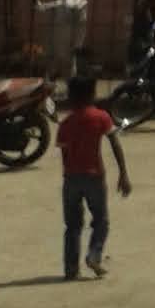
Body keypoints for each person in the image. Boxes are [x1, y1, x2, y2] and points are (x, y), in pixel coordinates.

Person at [56, 74, 131, 281]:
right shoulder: (101, 117)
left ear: (71, 96)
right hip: (94, 176)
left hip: (71, 178)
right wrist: (123, 174)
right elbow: (115, 144)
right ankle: (94, 255)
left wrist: (69, 173)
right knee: (100, 221)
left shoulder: (66, 124)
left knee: (72, 226)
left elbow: (64, 153)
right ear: (92, 94)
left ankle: (71, 269)